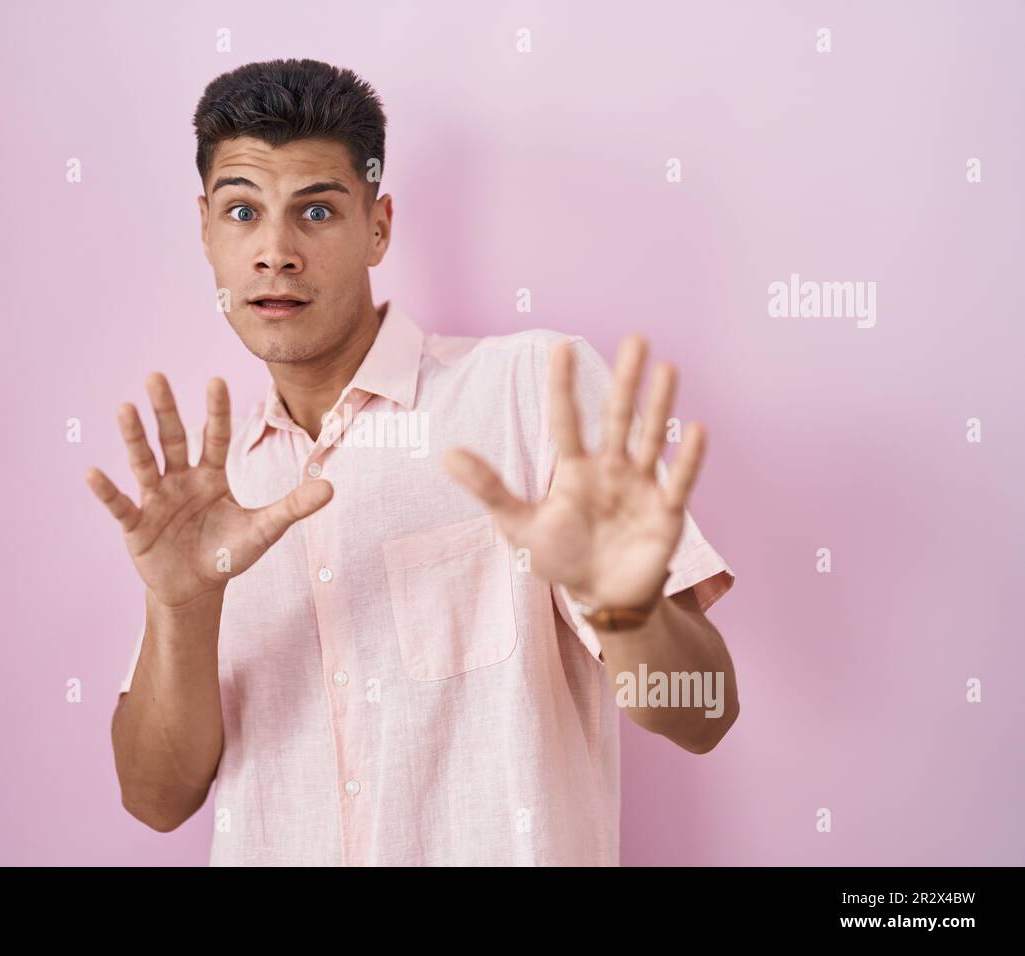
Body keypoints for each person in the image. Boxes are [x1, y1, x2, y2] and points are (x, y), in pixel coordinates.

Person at [86, 58, 738, 866]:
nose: (276, 252)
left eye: (317, 211)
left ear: (379, 226)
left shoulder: (532, 394)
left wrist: (629, 609)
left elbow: (704, 715)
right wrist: (183, 610)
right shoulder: (209, 493)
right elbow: (154, 802)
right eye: (243, 211)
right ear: (206, 231)